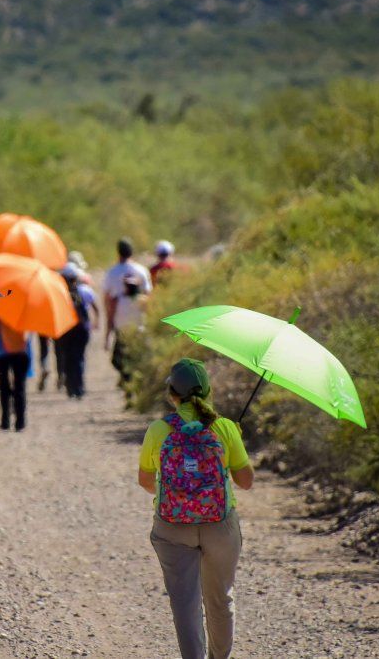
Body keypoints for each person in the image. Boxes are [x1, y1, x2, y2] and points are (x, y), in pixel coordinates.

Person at [137, 359, 254, 659]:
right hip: (220, 525)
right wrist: (234, 442)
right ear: (208, 391)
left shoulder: (158, 430)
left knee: (185, 605)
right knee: (220, 600)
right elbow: (246, 481)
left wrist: (177, 493)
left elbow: (146, 481)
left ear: (172, 394)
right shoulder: (225, 428)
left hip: (172, 526)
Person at [104, 237, 152, 370]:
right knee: (136, 354)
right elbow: (149, 295)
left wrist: (108, 328)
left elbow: (107, 298)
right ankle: (131, 379)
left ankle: (127, 379)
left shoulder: (112, 272)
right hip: (139, 323)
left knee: (120, 356)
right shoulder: (141, 271)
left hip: (121, 323)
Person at [58, 262, 99, 399]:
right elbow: (95, 307)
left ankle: (70, 388)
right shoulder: (85, 290)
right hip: (82, 330)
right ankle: (79, 387)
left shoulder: (59, 292)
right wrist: (95, 322)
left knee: (68, 358)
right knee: (79, 358)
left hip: (66, 329)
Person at [0, 315, 31, 431]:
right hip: (21, 353)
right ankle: (20, 423)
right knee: (20, 388)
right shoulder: (25, 310)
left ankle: (5, 421)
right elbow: (27, 336)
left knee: (4, 387)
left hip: (0, 354)